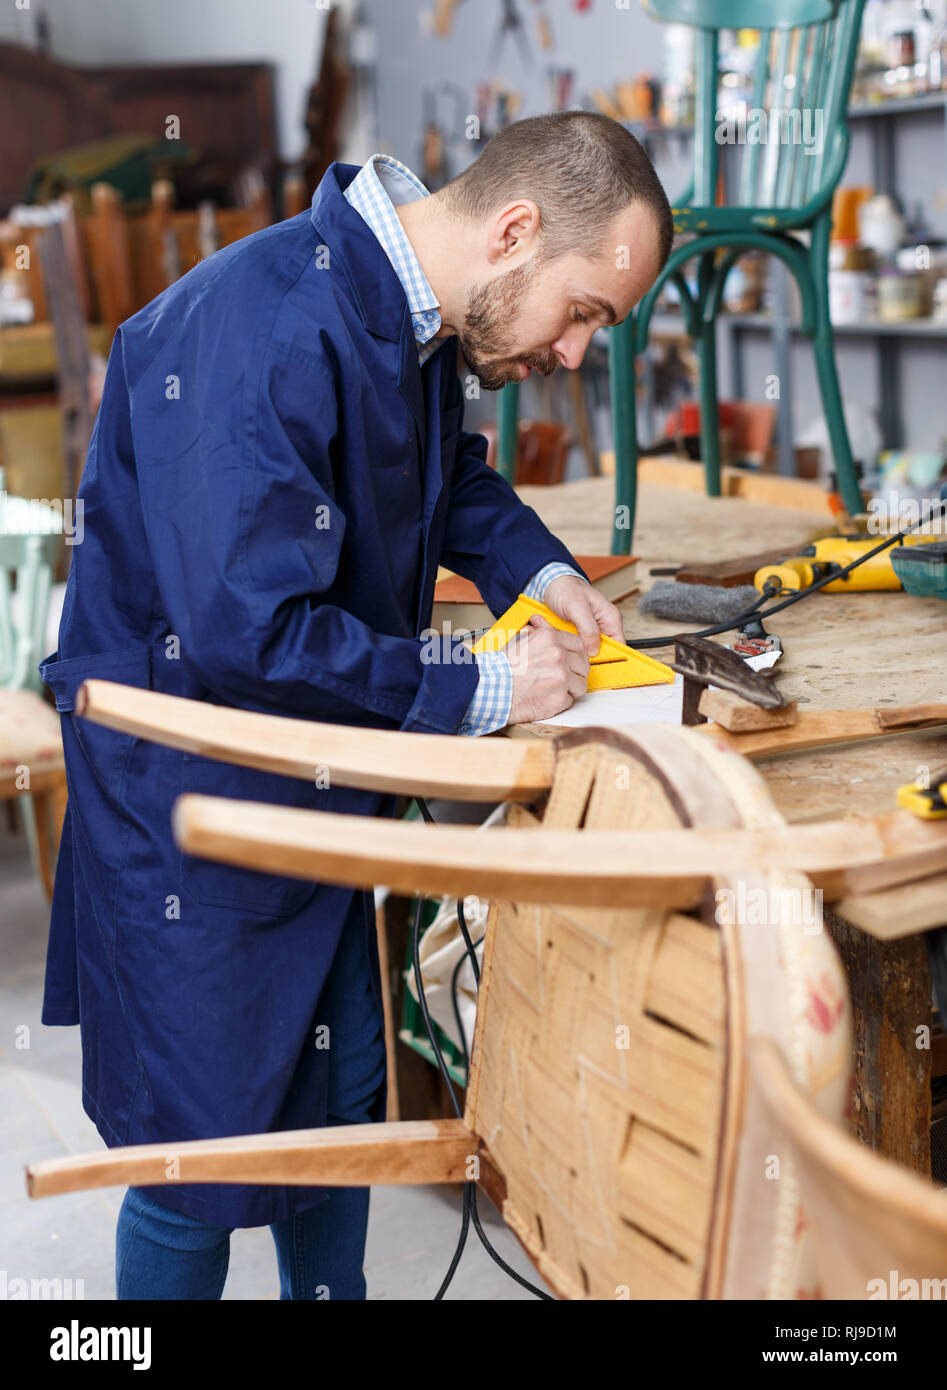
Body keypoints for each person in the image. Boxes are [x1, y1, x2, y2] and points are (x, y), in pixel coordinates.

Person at [39, 111, 672, 1299]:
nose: (578, 353)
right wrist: (480, 683)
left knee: (331, 1129)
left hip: (314, 786)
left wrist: (533, 570)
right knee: (201, 1158)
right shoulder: (258, 325)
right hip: (198, 802)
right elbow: (248, 632)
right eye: (583, 312)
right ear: (516, 231)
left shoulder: (411, 313)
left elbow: (445, 475)